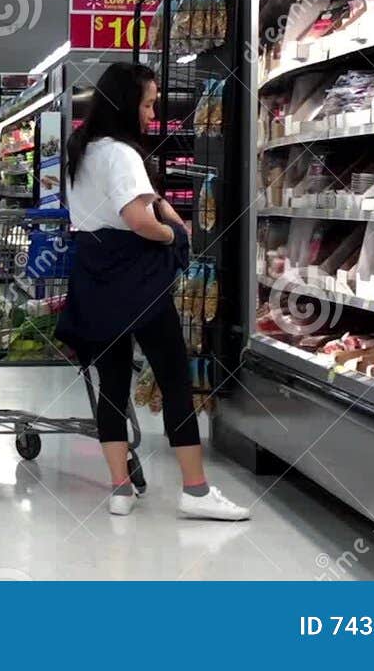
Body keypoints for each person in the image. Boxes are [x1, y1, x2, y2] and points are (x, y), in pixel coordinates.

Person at [56, 63, 249, 522]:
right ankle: (196, 492)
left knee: (113, 386)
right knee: (175, 379)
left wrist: (161, 207)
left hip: (94, 276)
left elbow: (138, 197)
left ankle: (120, 490)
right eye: (147, 103)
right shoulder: (122, 154)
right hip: (135, 282)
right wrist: (172, 235)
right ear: (126, 104)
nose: (151, 112)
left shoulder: (82, 150)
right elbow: (137, 218)